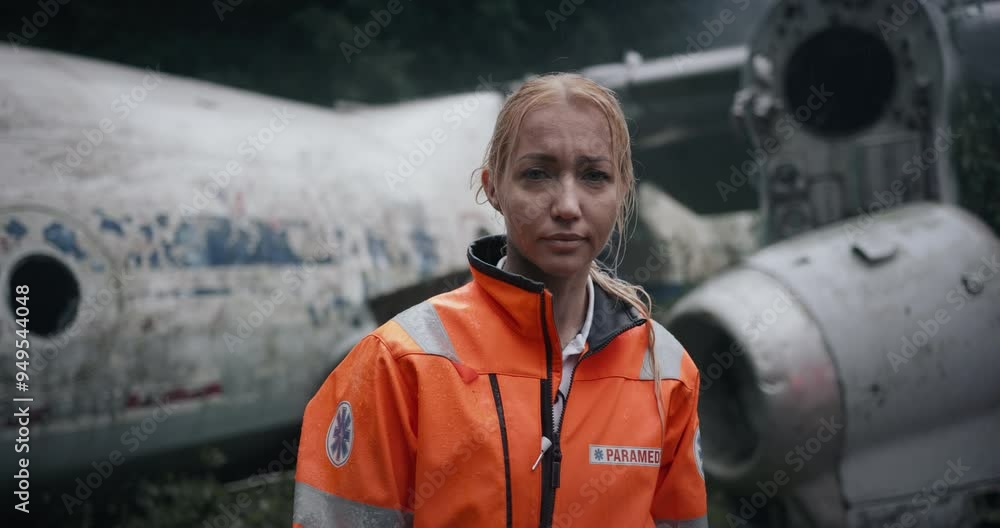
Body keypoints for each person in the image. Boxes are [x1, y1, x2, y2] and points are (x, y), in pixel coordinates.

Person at [292, 72, 707, 527]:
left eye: (594, 176)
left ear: (622, 190)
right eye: (537, 174)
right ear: (493, 186)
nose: (567, 205)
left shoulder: (666, 374)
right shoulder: (398, 364)